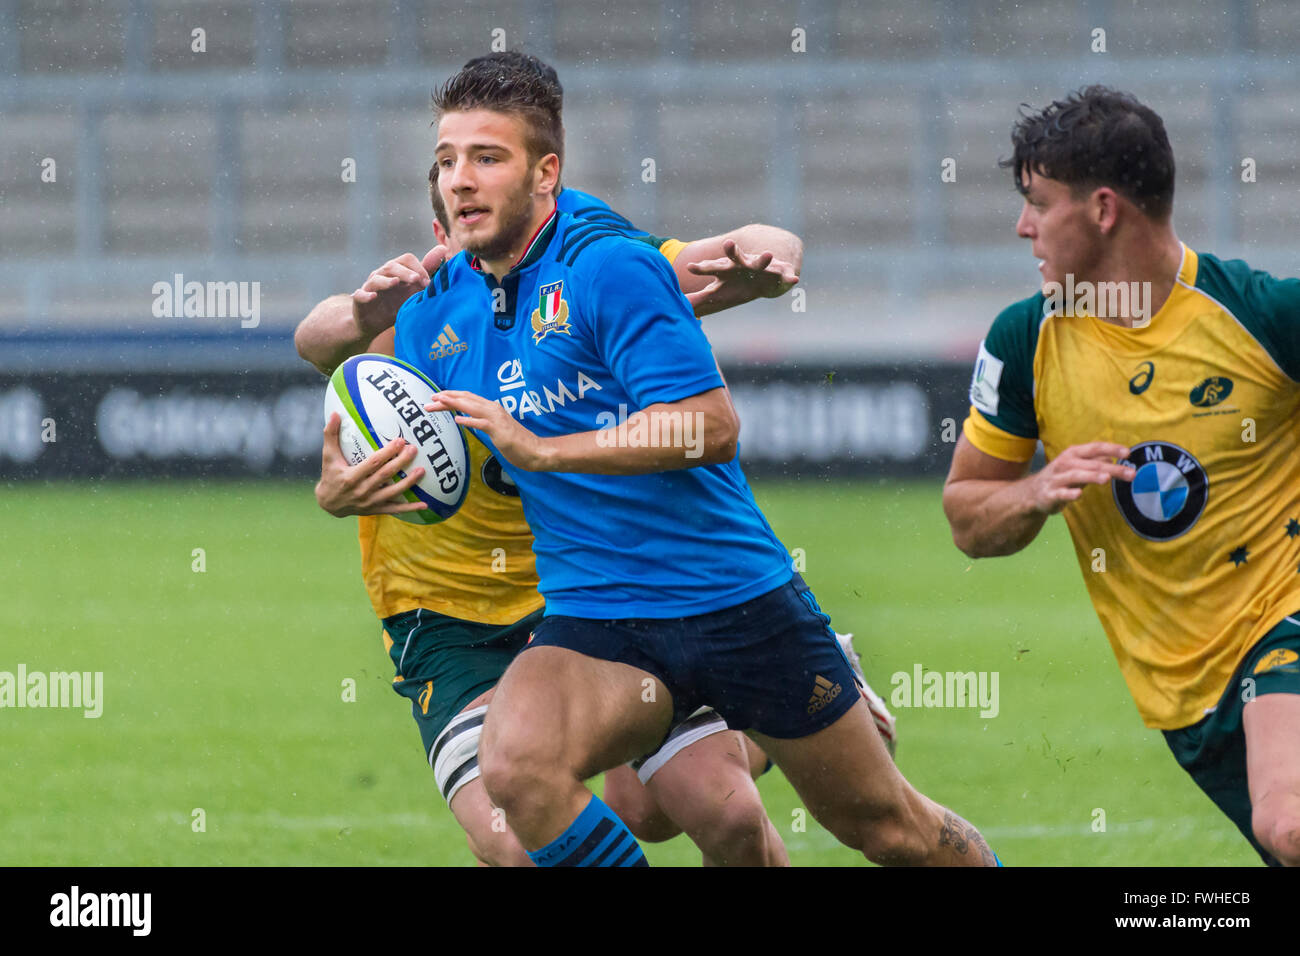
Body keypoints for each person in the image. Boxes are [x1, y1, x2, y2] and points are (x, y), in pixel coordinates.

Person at [399, 56, 993, 867]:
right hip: (598, 619)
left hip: (737, 603)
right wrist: (339, 482)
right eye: (447, 161)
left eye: (486, 158)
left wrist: (546, 448)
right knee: (518, 768)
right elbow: (334, 358)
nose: (460, 180)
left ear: (547, 174)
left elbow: (709, 427)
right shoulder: (440, 306)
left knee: (889, 828)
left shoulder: (610, 264)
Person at [942, 85, 1300, 866]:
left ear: (1103, 209)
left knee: (1290, 824)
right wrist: (1033, 492)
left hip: (1285, 622)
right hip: (1184, 697)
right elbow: (967, 517)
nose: (1022, 225)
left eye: (1038, 202)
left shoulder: (1263, 315)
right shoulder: (1024, 340)